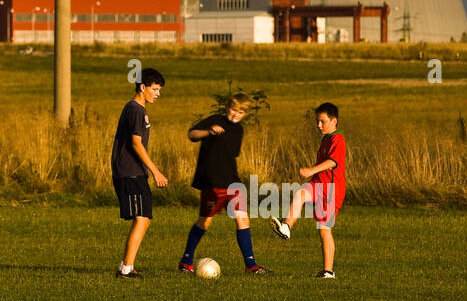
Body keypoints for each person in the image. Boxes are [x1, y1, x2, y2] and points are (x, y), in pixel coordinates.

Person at [179, 93, 268, 274]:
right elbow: (192, 134)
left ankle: (251, 265)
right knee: (205, 222)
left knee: (242, 219)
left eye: (241, 112)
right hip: (212, 182)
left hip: (232, 182)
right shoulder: (215, 120)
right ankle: (186, 261)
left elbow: (232, 155)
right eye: (234, 109)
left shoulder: (239, 130)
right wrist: (208, 132)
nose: (236, 114)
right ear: (227, 107)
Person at [271, 102, 346, 278]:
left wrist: (310, 170)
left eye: (322, 122)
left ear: (334, 121)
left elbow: (332, 162)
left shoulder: (338, 139)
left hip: (330, 190)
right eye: (317, 122)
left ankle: (328, 271)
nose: (319, 126)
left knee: (324, 230)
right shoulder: (326, 139)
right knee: (301, 193)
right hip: (318, 185)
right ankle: (286, 227)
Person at [112, 67, 169, 279]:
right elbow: (136, 144)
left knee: (143, 218)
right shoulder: (135, 109)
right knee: (142, 218)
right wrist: (155, 172)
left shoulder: (139, 109)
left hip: (135, 172)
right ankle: (125, 269)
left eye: (159, 90)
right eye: (154, 89)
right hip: (130, 172)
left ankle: (127, 266)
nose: (157, 93)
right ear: (142, 87)